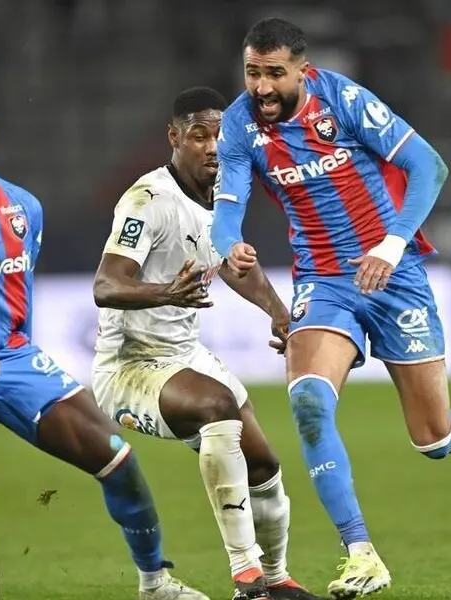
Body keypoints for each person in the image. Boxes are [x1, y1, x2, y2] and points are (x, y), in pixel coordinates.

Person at [0, 86, 207, 600]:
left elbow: (14, 296)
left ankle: (155, 580)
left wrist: (22, 356)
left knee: (118, 459)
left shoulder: (25, 208)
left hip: (14, 359)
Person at [210, 18, 451, 600]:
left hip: (392, 274)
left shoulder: (344, 100)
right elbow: (227, 209)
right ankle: (361, 553)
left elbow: (429, 166)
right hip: (322, 281)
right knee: (307, 402)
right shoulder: (239, 124)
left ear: (302, 69)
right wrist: (230, 245)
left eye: (275, 73)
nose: (263, 87)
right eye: (253, 73)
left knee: (433, 439)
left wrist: (393, 243)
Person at [92, 86, 323, 600]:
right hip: (129, 366)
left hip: (184, 355)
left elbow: (234, 264)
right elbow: (106, 285)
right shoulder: (147, 201)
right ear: (174, 138)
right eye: (200, 135)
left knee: (263, 461)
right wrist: (163, 292)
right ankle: (248, 577)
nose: (213, 146)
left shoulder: (222, 197)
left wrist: (280, 315)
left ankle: (277, 577)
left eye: (221, 134)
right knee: (219, 409)